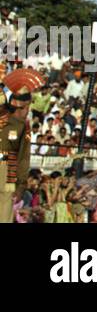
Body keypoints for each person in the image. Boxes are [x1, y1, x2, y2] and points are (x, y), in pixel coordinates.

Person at [1, 69, 44, 223]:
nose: (23, 111)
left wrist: (20, 187)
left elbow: (23, 159)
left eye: (25, 107)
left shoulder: (22, 127)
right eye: (18, 107)